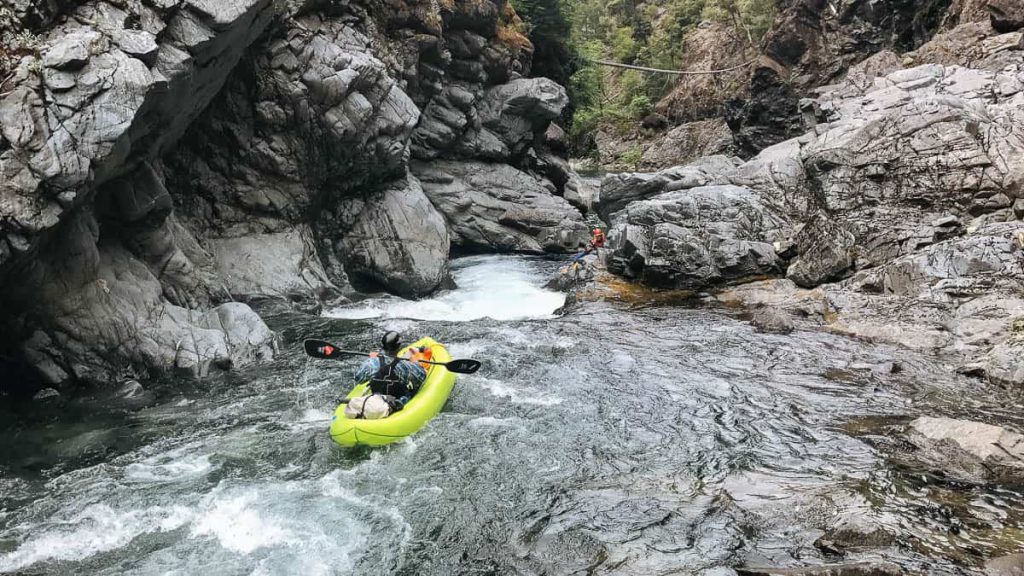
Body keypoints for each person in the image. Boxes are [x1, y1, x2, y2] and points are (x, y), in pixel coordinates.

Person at [345, 331, 427, 420]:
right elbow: (421, 377)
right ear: (399, 347)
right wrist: (414, 362)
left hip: (375, 399)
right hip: (396, 401)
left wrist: (372, 358)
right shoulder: (405, 366)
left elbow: (358, 379)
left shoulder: (371, 362)